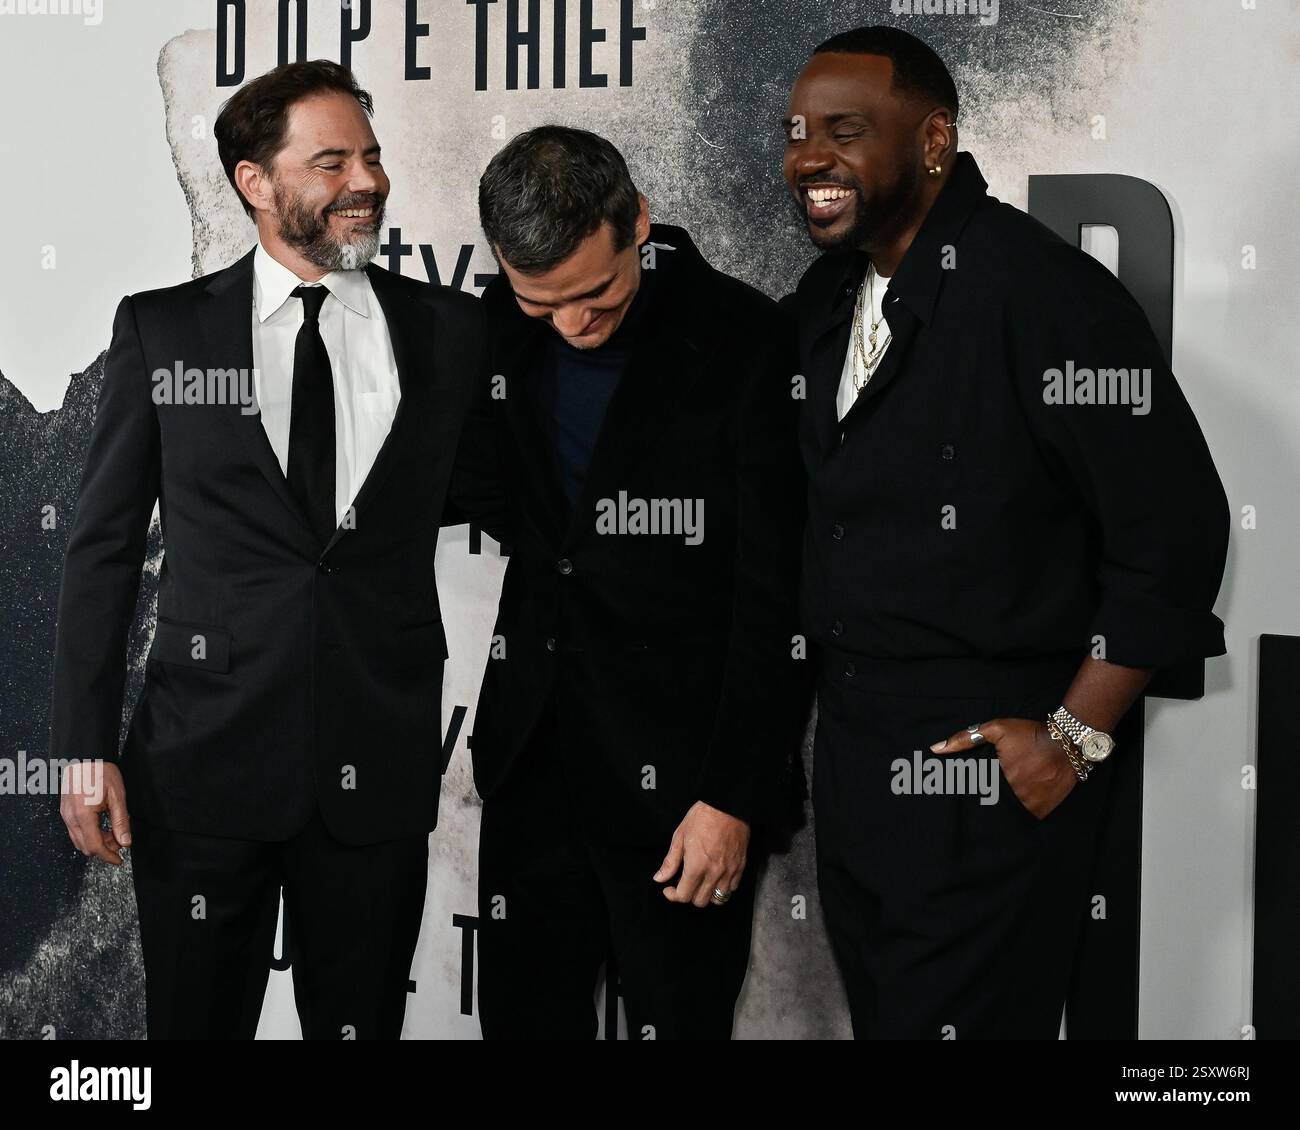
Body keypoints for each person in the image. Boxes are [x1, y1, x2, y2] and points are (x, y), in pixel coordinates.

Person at [780, 27, 1229, 1038]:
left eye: (844, 131)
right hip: (854, 763)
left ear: (933, 139)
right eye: (798, 133)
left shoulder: (1048, 298)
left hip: (985, 769)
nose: (808, 157)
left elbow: (1178, 531)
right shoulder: (824, 299)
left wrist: (1071, 738)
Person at [52, 60, 487, 1039]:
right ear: (256, 183)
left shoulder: (452, 333)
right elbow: (102, 548)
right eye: (330, 161)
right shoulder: (163, 332)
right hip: (199, 771)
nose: (365, 181)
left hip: (375, 770)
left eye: (371, 157)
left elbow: (525, 502)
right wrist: (81, 744)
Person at [458, 125, 809, 1039]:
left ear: (639, 221)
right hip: (534, 757)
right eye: (545, 304)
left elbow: (779, 596)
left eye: (597, 293)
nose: (573, 322)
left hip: (685, 782)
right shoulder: (497, 328)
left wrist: (732, 794)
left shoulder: (750, 342)